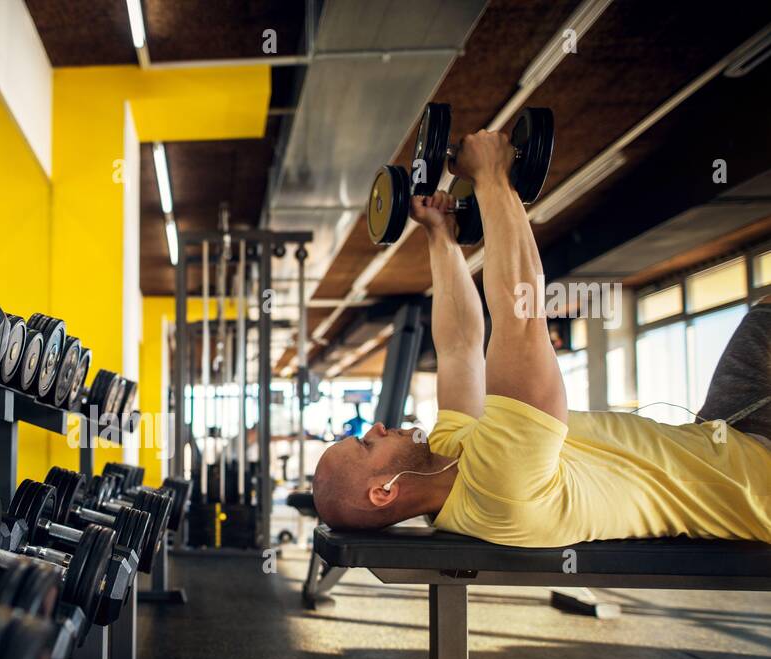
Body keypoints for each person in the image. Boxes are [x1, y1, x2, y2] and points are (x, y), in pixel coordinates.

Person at [312, 128, 771, 548]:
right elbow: (521, 312)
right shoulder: (500, 485)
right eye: (366, 444)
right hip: (756, 483)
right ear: (384, 491)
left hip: (725, 438)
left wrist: (441, 237)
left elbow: (458, 348)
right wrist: (492, 177)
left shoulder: (447, 456)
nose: (373, 427)